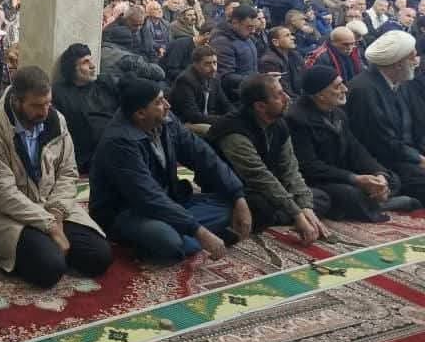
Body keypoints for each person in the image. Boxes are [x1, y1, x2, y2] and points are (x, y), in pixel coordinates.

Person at [0, 66, 111, 288]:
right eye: (37, 106)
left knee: (99, 257)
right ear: (17, 102)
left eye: (48, 103)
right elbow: (4, 196)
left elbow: (68, 172)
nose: (45, 112)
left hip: (50, 205)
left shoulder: (56, 121)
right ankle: (36, 249)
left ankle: (47, 245)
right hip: (5, 213)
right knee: (49, 268)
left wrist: (56, 213)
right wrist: (51, 227)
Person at [90, 78, 251, 263]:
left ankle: (183, 232)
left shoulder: (167, 120)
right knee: (170, 242)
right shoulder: (119, 142)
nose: (168, 105)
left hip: (169, 200)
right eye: (159, 102)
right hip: (127, 211)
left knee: (230, 206)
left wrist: (238, 195)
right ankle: (178, 236)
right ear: (141, 113)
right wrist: (200, 232)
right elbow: (147, 196)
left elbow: (202, 155)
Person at [209, 73, 331, 242]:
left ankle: (282, 214)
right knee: (261, 207)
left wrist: (305, 207)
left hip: (267, 188)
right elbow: (259, 177)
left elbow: (290, 169)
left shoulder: (279, 123)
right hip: (236, 191)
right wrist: (297, 214)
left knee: (320, 198)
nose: (286, 97)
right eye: (279, 95)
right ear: (260, 106)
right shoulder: (233, 131)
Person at [287, 66, 419, 222]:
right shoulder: (297, 119)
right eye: (337, 86)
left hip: (342, 173)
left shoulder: (337, 113)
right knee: (350, 194)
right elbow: (309, 166)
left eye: (342, 83)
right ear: (320, 95)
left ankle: (375, 200)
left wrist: (378, 174)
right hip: (319, 180)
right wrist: (354, 178)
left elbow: (356, 149)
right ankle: (381, 204)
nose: (345, 89)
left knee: (391, 179)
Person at [346, 30, 425, 205]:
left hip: (408, 155)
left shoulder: (402, 83)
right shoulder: (364, 90)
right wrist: (418, 159)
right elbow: (381, 141)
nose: (416, 61)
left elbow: (418, 125)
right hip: (384, 161)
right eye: (412, 57)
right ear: (398, 63)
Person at [51, 43, 118, 173]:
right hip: (86, 159)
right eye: (85, 62)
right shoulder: (59, 93)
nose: (93, 66)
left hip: (117, 148)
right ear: (72, 68)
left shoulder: (104, 84)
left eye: (91, 60)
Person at [169, 45, 232, 132]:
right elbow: (193, 115)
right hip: (186, 123)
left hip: (206, 119)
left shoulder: (215, 78)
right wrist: (225, 120)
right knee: (214, 130)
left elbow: (225, 104)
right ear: (196, 64)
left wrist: (235, 117)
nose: (213, 68)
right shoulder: (185, 80)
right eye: (207, 64)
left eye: (215, 63)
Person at [210, 4, 259, 98]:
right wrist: (257, 81)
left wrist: (264, 77)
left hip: (249, 91)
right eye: (249, 27)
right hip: (234, 97)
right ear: (235, 23)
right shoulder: (222, 42)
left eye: (254, 27)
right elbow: (225, 77)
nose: (253, 31)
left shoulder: (246, 37)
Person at [258, 26, 304, 98]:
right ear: (275, 42)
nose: (293, 38)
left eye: (291, 34)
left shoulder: (295, 55)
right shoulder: (269, 61)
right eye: (287, 35)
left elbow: (304, 76)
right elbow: (282, 90)